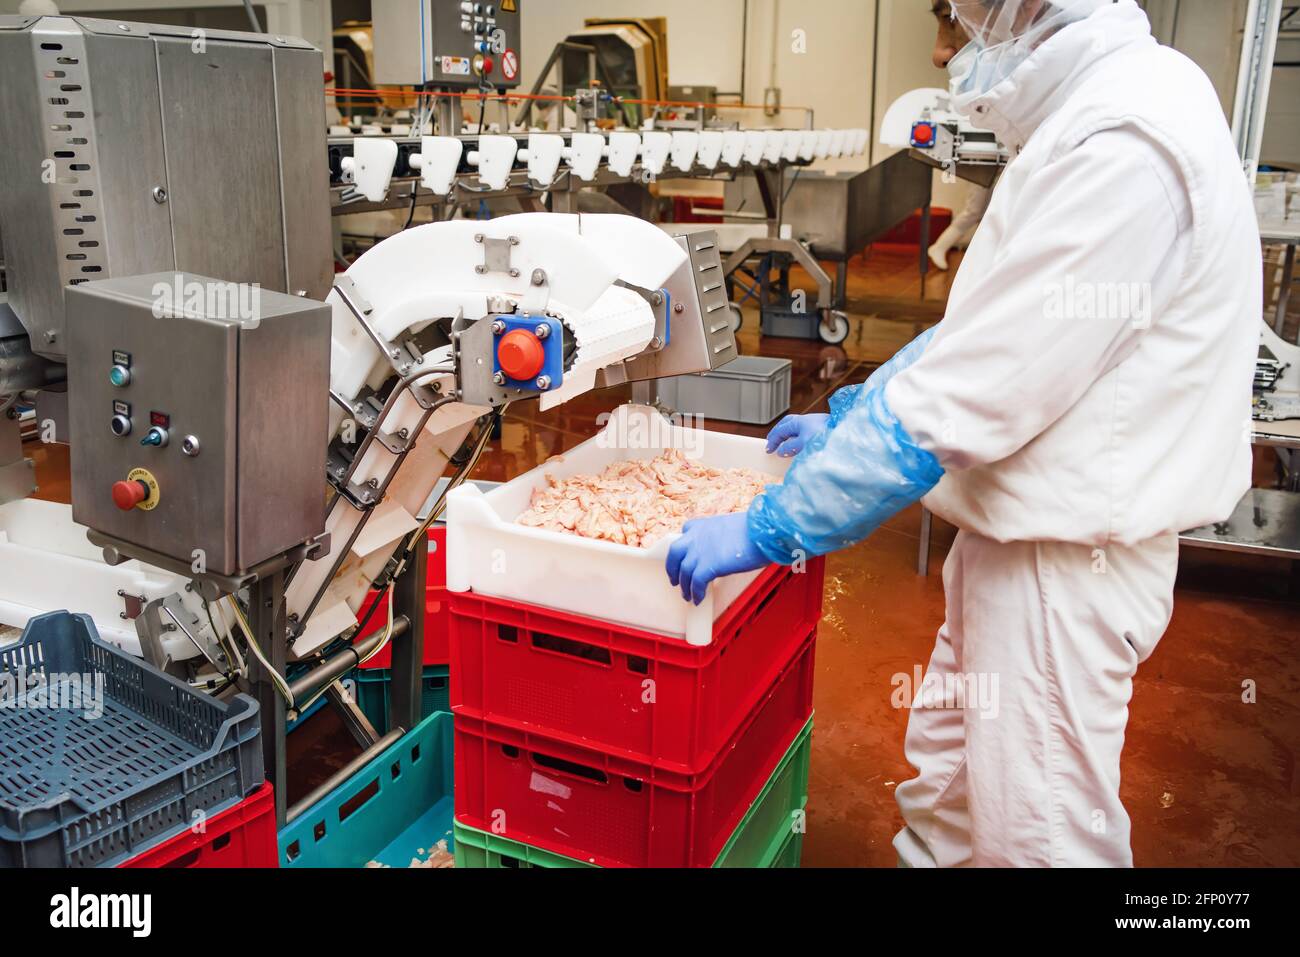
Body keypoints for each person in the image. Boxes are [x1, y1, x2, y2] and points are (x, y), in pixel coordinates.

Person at [666, 0, 1260, 867]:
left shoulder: (1124, 141)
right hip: (1015, 539)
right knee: (947, 785)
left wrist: (772, 524)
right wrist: (849, 414)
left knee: (1040, 837)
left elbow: (975, 391)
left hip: (1063, 566)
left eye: (960, 19)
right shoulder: (1090, 113)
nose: (948, 49)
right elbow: (980, 331)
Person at [926, 1, 995, 272]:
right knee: (975, 210)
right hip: (984, 156)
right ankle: (940, 246)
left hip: (993, 156)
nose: (939, 56)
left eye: (951, 18)